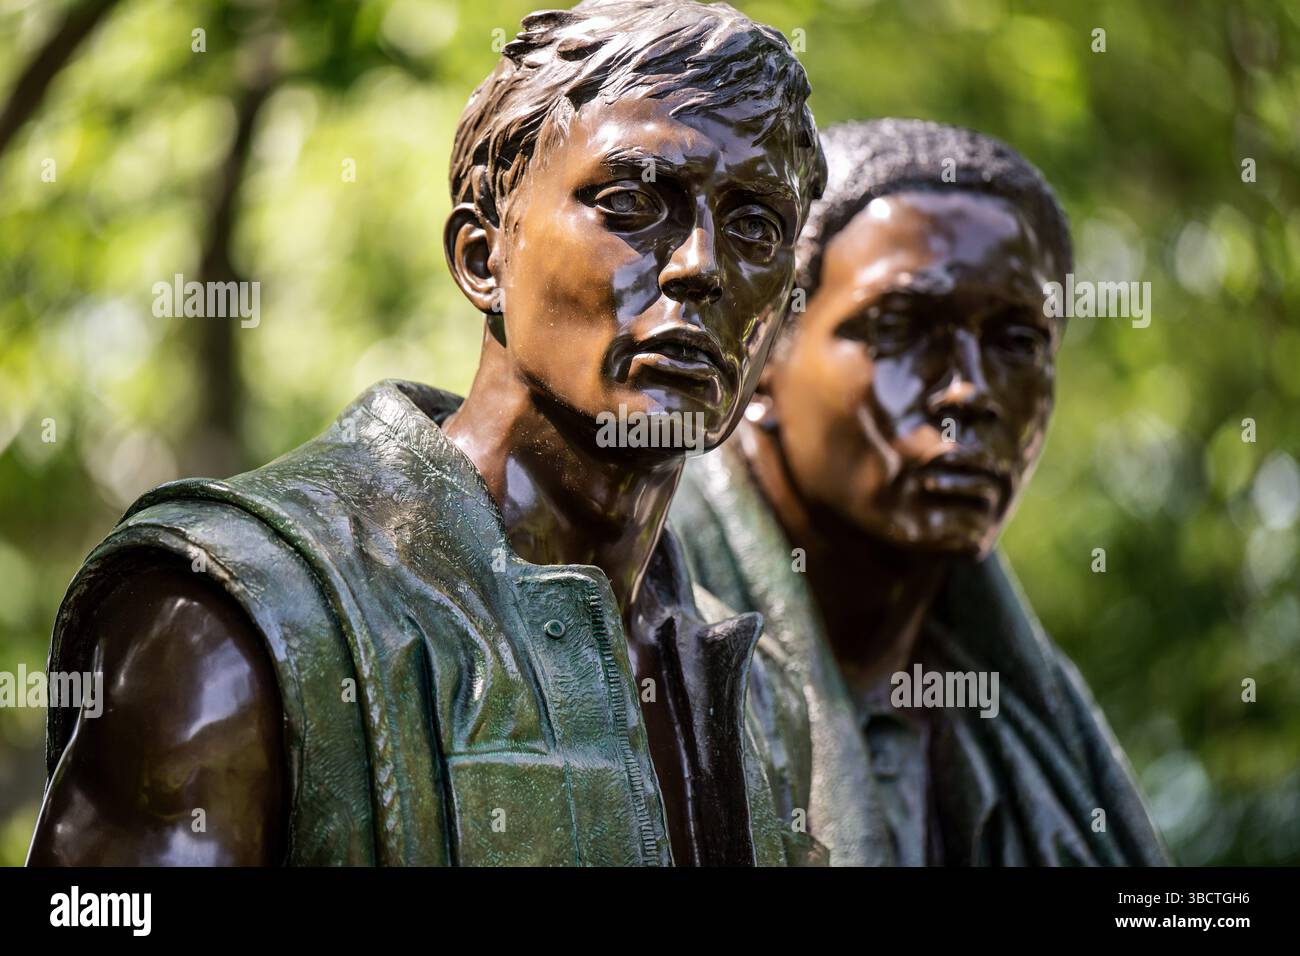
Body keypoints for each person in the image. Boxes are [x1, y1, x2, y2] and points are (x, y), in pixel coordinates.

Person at [28, 0, 827, 866]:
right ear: (484, 257)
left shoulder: (754, 697)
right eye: (632, 202)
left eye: (756, 227)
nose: (700, 265)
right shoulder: (239, 619)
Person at [671, 119, 1168, 865]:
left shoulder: (1019, 745)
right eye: (902, 327)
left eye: (1016, 341)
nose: (970, 391)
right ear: (762, 351)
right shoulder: (635, 638)